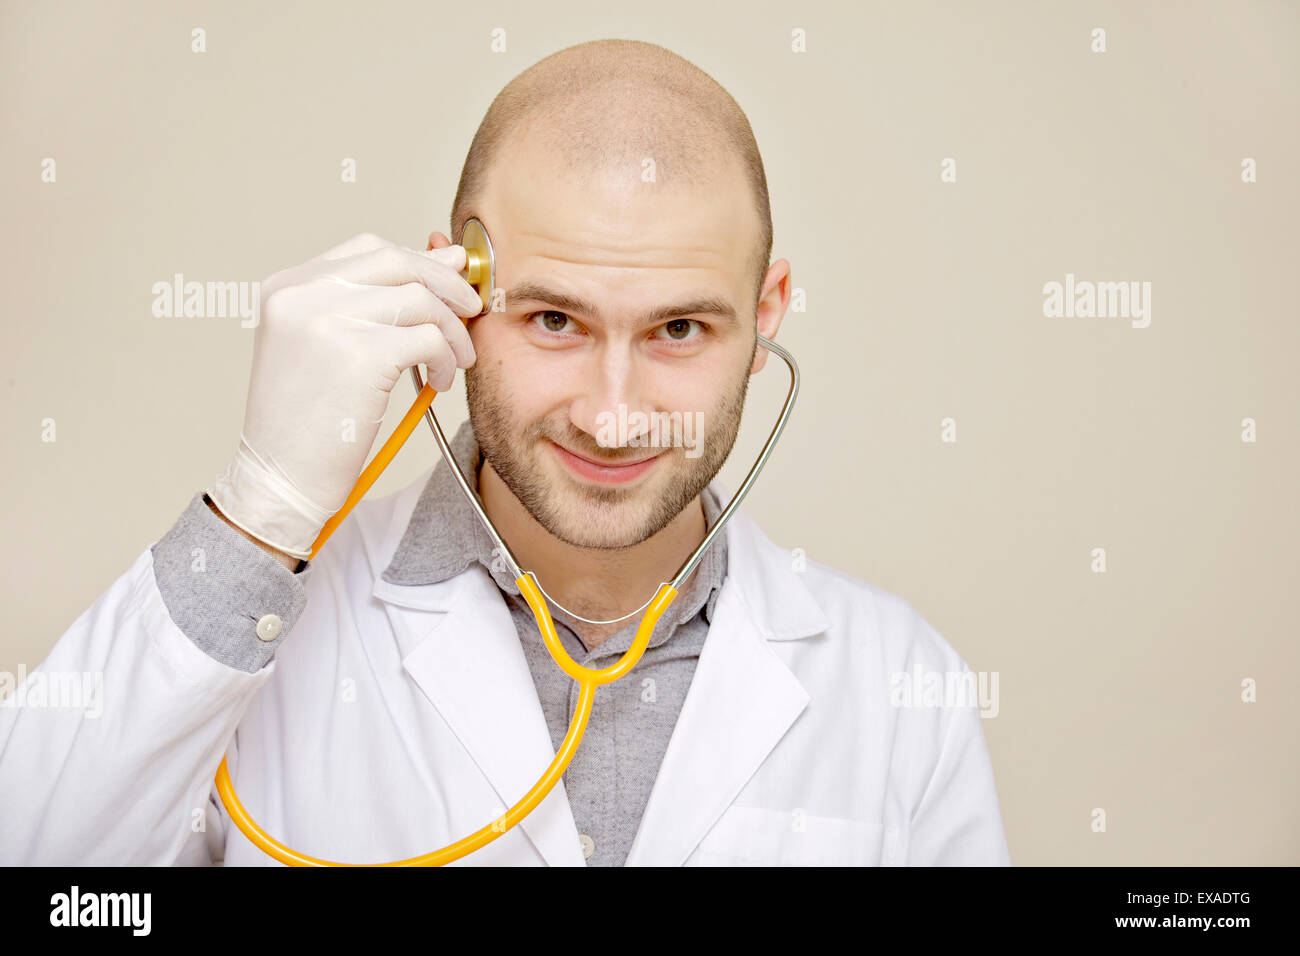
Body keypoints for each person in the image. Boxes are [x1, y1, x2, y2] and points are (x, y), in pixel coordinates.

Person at [0, 39, 1010, 866]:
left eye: (679, 331)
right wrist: (261, 505)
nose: (614, 418)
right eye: (555, 319)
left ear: (765, 314)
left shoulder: (895, 682)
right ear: (454, 287)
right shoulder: (272, 641)